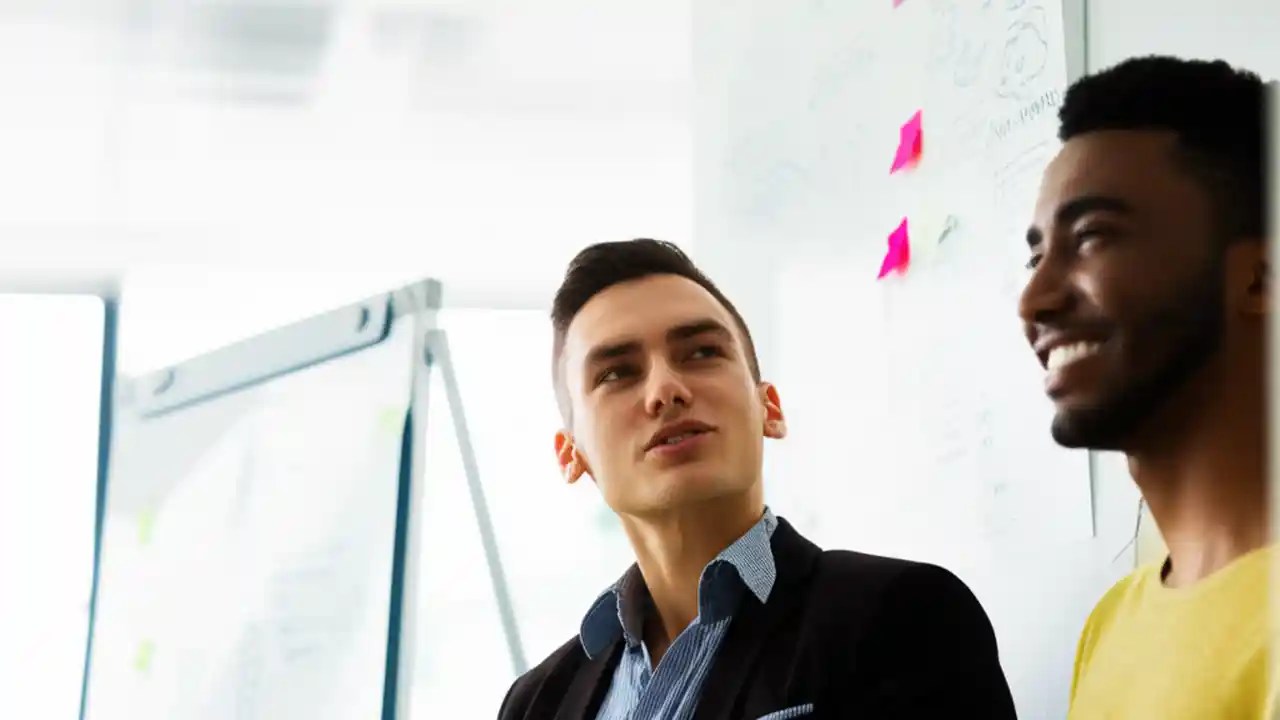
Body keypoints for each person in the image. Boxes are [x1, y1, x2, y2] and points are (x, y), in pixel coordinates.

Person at [499, 239, 1016, 719]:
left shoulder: (905, 617)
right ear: (571, 455)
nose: (666, 390)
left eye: (701, 352)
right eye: (617, 373)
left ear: (769, 407)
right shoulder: (535, 702)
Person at [1018, 56, 1274, 718]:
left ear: (1260, 277)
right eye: (1036, 253)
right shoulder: (1111, 625)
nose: (1035, 297)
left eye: (1093, 237)